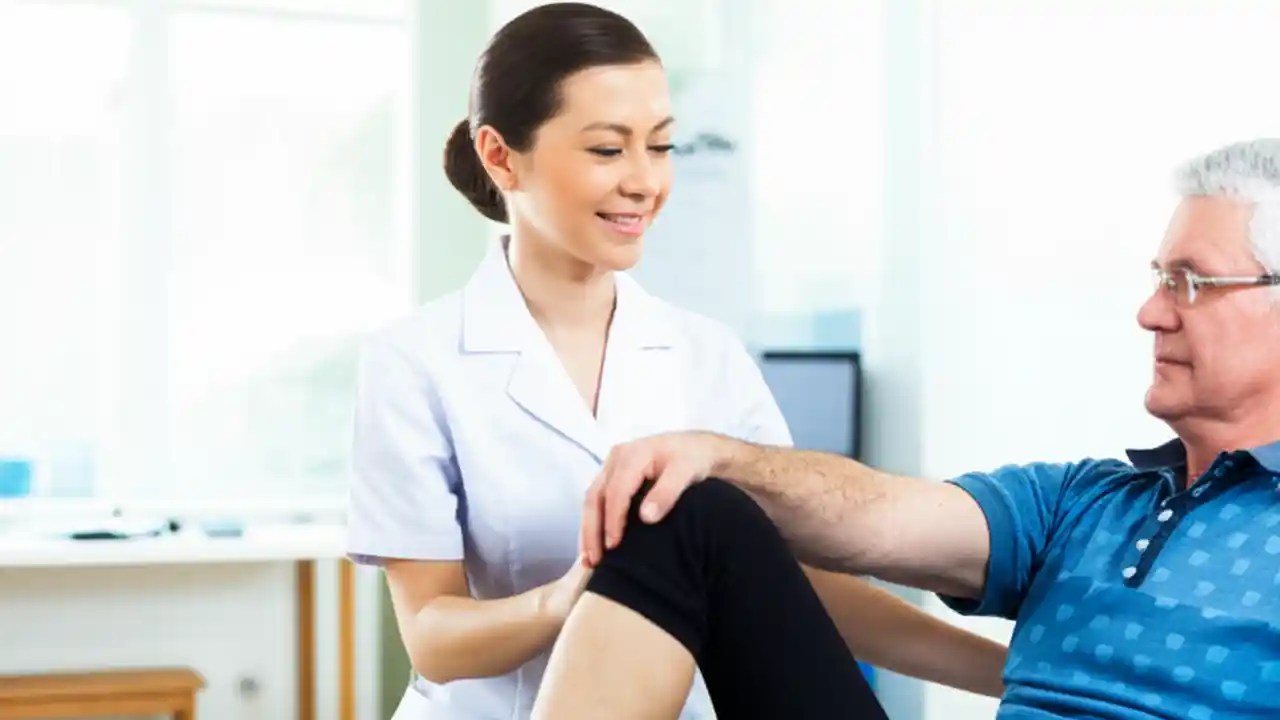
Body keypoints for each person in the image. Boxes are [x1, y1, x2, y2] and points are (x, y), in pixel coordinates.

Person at [346, 3, 1006, 719]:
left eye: (660, 147)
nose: (644, 182)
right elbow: (432, 637)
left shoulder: (706, 355)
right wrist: (573, 596)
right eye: (607, 150)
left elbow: (798, 584)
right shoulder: (414, 361)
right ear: (501, 156)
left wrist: (1018, 673)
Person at [533, 137, 1280, 720]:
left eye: (1191, 282)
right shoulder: (1082, 502)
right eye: (1158, 278)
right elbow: (877, 520)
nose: (1151, 312)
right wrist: (716, 457)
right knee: (688, 511)